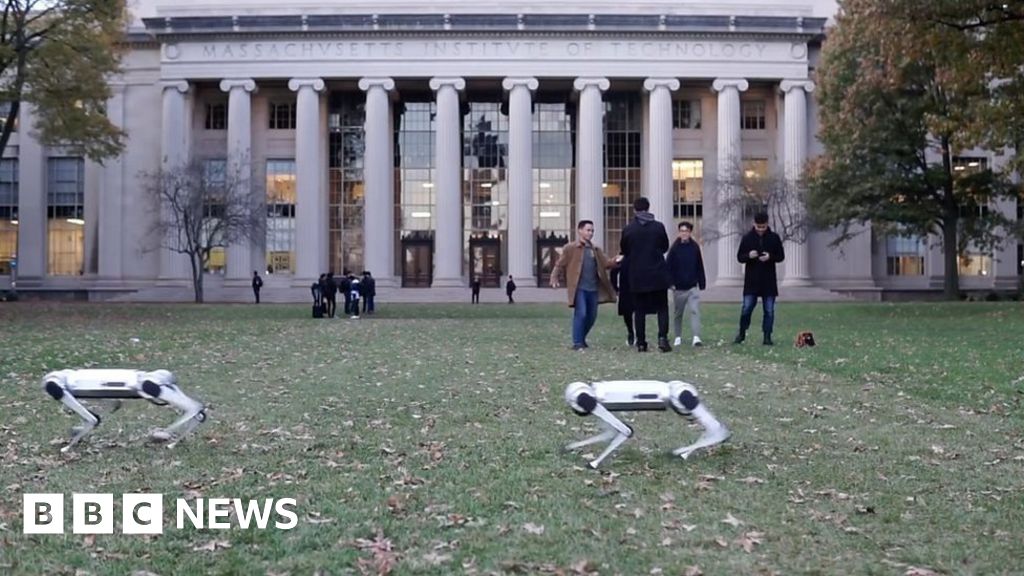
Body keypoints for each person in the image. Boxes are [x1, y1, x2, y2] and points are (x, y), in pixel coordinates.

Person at [550, 219, 618, 350]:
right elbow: (560, 264)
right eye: (588, 230)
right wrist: (554, 276)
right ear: (580, 230)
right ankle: (577, 343)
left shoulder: (595, 249)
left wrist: (617, 260)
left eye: (592, 230)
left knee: (591, 316)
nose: (591, 233)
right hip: (579, 288)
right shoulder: (570, 248)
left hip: (593, 288)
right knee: (581, 314)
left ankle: (581, 338)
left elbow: (606, 263)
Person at [620, 197, 672, 352]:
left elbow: (625, 250)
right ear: (648, 208)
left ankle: (641, 342)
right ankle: (662, 338)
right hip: (657, 273)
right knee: (662, 308)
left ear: (634, 210)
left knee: (639, 310)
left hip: (637, 274)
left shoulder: (629, 229)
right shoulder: (658, 227)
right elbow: (665, 246)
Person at [734, 212, 785, 345]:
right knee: (746, 308)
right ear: (754, 224)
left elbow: (780, 256)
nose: (761, 229)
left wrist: (770, 257)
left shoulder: (774, 238)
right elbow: (740, 257)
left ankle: (767, 336)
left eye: (763, 226)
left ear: (767, 224)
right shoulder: (747, 238)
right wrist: (749, 256)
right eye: (758, 226)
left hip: (768, 281)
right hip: (752, 281)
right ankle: (742, 332)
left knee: (769, 310)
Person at [666, 221, 706, 348]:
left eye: (686, 231)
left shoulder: (695, 247)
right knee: (678, 313)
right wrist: (670, 283)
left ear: (690, 233)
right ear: (679, 232)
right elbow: (668, 267)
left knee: (694, 311)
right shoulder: (674, 248)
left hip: (692, 286)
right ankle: (678, 337)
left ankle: (696, 337)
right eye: (682, 231)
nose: (684, 233)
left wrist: (701, 281)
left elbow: (699, 265)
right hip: (678, 287)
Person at [608, 254, 635, 347]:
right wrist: (616, 288)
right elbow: (613, 272)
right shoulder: (622, 257)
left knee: (639, 312)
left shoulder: (640, 254)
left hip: (638, 287)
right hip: (625, 289)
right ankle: (631, 332)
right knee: (627, 313)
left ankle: (639, 336)